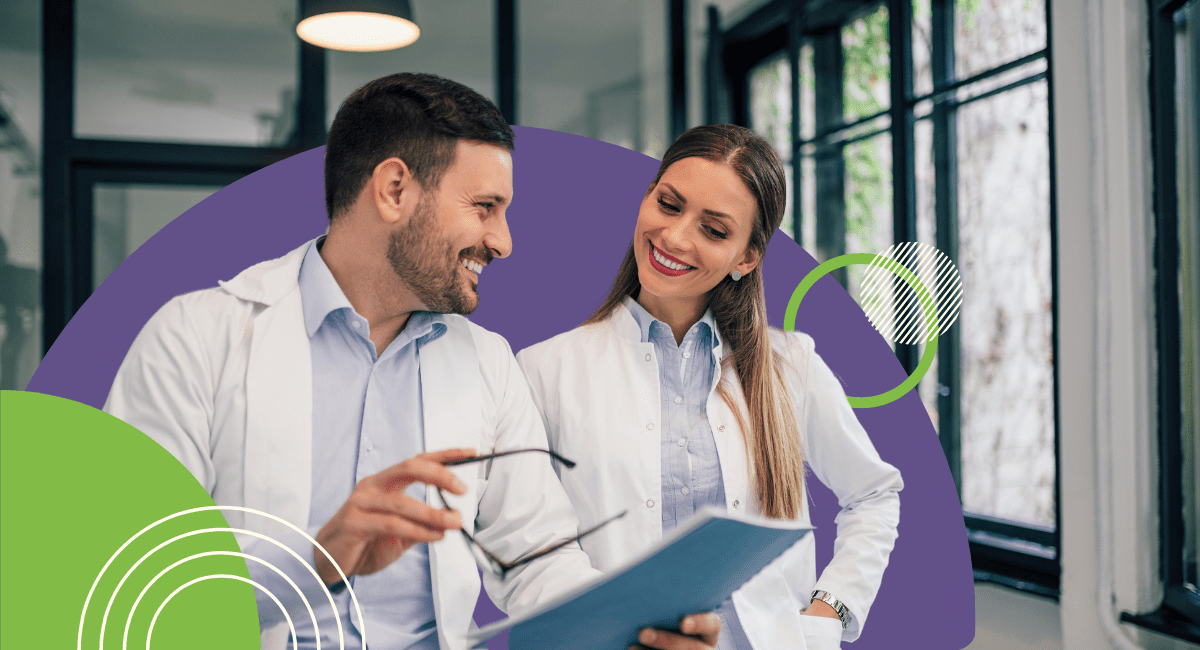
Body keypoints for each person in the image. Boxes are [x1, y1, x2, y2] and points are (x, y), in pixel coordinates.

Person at [104, 73, 719, 650]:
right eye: (484, 207)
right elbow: (132, 579)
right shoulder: (194, 338)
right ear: (394, 190)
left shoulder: (487, 363)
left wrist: (631, 623)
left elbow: (536, 558)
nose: (504, 241)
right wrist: (322, 556)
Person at [516, 124, 904, 650]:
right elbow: (525, 547)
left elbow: (874, 493)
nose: (675, 237)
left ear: (746, 257)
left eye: (715, 230)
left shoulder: (791, 365)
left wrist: (830, 607)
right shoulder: (544, 370)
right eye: (669, 204)